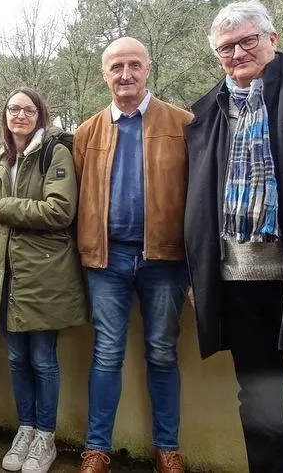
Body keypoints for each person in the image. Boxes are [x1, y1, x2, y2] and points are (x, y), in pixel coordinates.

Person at [185, 0, 283, 473]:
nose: (236, 54)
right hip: (239, 280)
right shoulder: (209, 111)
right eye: (225, 48)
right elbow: (196, 199)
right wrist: (199, 274)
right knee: (258, 403)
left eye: (246, 41)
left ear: (273, 40)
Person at [74, 37, 192, 473]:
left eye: (134, 65)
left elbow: (199, 200)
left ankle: (168, 449)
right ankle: (96, 448)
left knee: (162, 352)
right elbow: (77, 201)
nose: (125, 74)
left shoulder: (183, 123)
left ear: (148, 69)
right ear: (105, 73)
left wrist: (200, 268)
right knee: (107, 352)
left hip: (166, 261)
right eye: (117, 66)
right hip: (108, 261)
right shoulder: (87, 132)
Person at [0, 87, 89, 473]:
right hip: (8, 275)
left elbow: (61, 209)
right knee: (16, 359)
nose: (20, 115)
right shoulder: (2, 157)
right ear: (5, 115)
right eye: (13, 109)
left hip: (45, 275)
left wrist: (8, 208)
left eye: (28, 110)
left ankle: (46, 436)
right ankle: (24, 429)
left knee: (43, 360)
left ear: (40, 115)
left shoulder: (53, 152)